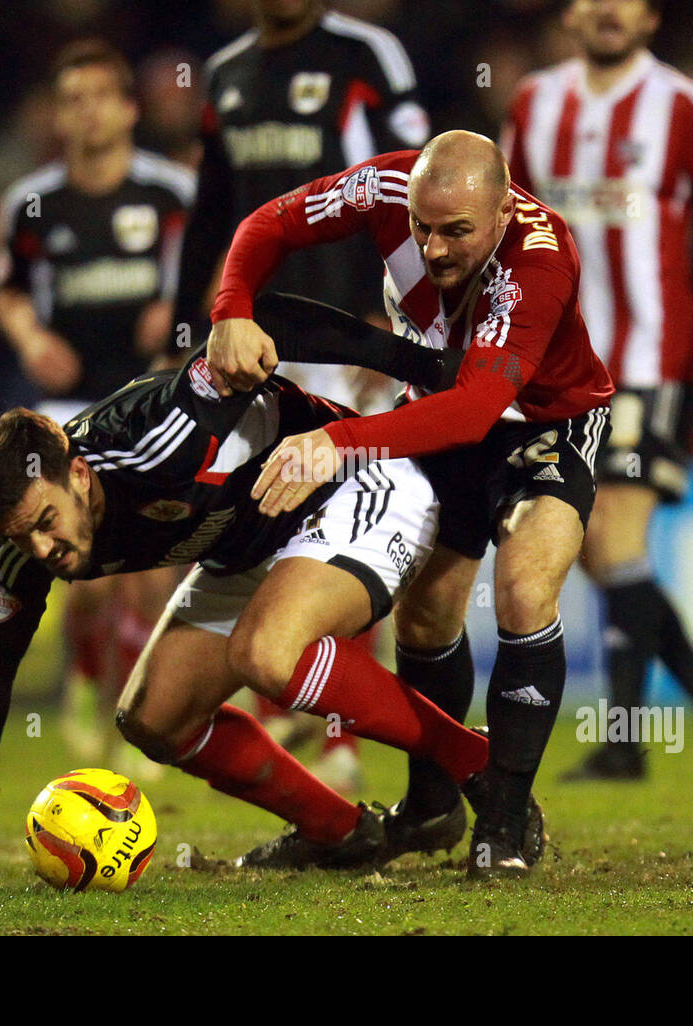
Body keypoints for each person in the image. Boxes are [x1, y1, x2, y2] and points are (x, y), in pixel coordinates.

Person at [0, 298, 514, 878]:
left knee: (265, 653)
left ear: (78, 471)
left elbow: (264, 323)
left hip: (356, 484)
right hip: (249, 546)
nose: (44, 551)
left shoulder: (164, 430)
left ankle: (482, 764)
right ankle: (339, 832)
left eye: (45, 524)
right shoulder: (26, 546)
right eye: (22, 539)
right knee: (152, 718)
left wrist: (422, 365)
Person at [204, 130, 613, 877]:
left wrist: (341, 442)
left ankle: (505, 814)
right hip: (436, 413)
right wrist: (231, 306)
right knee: (424, 616)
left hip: (542, 426)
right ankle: (430, 808)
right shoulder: (385, 186)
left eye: (456, 231)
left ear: (500, 212)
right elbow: (268, 224)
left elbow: (478, 410)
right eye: (423, 227)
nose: (433, 247)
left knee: (524, 588)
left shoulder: (541, 258)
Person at [501, 0, 693, 780]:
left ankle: (626, 744)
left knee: (610, 539)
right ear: (568, 13)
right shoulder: (534, 103)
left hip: (647, 358)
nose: (607, 10)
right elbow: (501, 222)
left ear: (652, 16)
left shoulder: (682, 104)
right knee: (601, 557)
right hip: (557, 371)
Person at [175, 0, 431, 789]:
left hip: (344, 342)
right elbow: (212, 216)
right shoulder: (226, 75)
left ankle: (351, 736)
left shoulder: (368, 54)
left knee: (345, 524)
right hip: (253, 345)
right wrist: (193, 323)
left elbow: (421, 184)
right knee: (260, 524)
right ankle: (288, 704)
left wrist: (393, 326)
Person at [0, 40, 194, 767]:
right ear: (58, 114)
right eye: (73, 98)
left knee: (150, 567)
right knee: (83, 572)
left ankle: (136, 715)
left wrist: (174, 318)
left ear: (129, 108)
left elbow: (208, 280)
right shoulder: (32, 202)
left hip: (149, 397)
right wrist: (29, 336)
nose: (89, 110)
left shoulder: (171, 194)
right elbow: (5, 288)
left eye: (101, 95)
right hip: (67, 402)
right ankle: (83, 679)